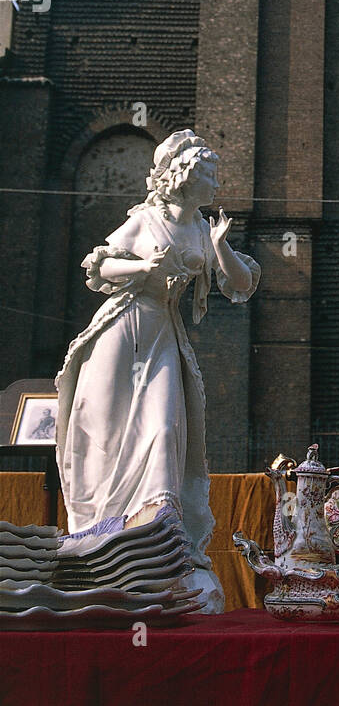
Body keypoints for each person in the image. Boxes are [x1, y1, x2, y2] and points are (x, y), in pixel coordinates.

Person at [55, 130, 260, 612]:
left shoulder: (201, 231)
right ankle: (102, 536)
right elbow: (99, 269)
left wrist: (221, 245)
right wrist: (142, 267)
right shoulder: (145, 220)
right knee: (104, 431)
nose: (216, 182)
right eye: (209, 173)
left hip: (164, 335)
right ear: (185, 176)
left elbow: (242, 285)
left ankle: (162, 542)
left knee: (165, 426)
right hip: (122, 332)